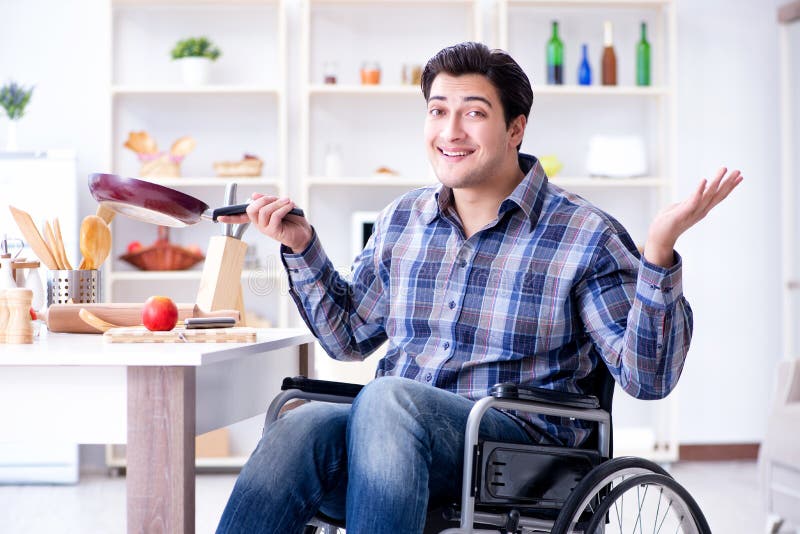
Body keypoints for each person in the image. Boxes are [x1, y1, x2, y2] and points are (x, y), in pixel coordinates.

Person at [215, 41, 742, 534]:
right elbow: (349, 339)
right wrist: (302, 245)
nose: (450, 131)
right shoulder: (403, 219)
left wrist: (658, 253)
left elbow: (647, 379)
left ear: (516, 129)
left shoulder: (584, 233)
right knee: (299, 427)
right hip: (389, 443)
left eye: (473, 112)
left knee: (389, 398)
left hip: (518, 452)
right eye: (438, 111)